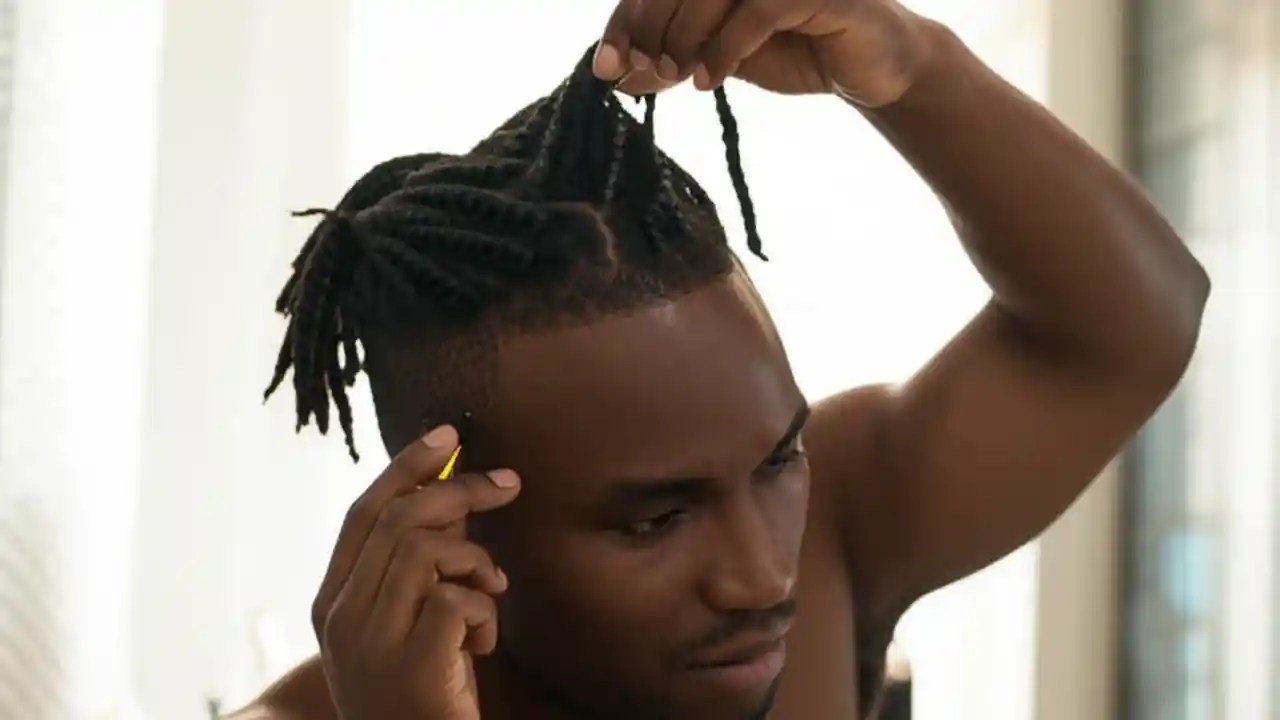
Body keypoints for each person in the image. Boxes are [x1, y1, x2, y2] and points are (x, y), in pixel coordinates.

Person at [235, 1, 1209, 719]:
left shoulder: (831, 529)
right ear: (446, 516)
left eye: (780, 458)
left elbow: (1124, 330)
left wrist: (910, 64)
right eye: (656, 518)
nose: (761, 577)